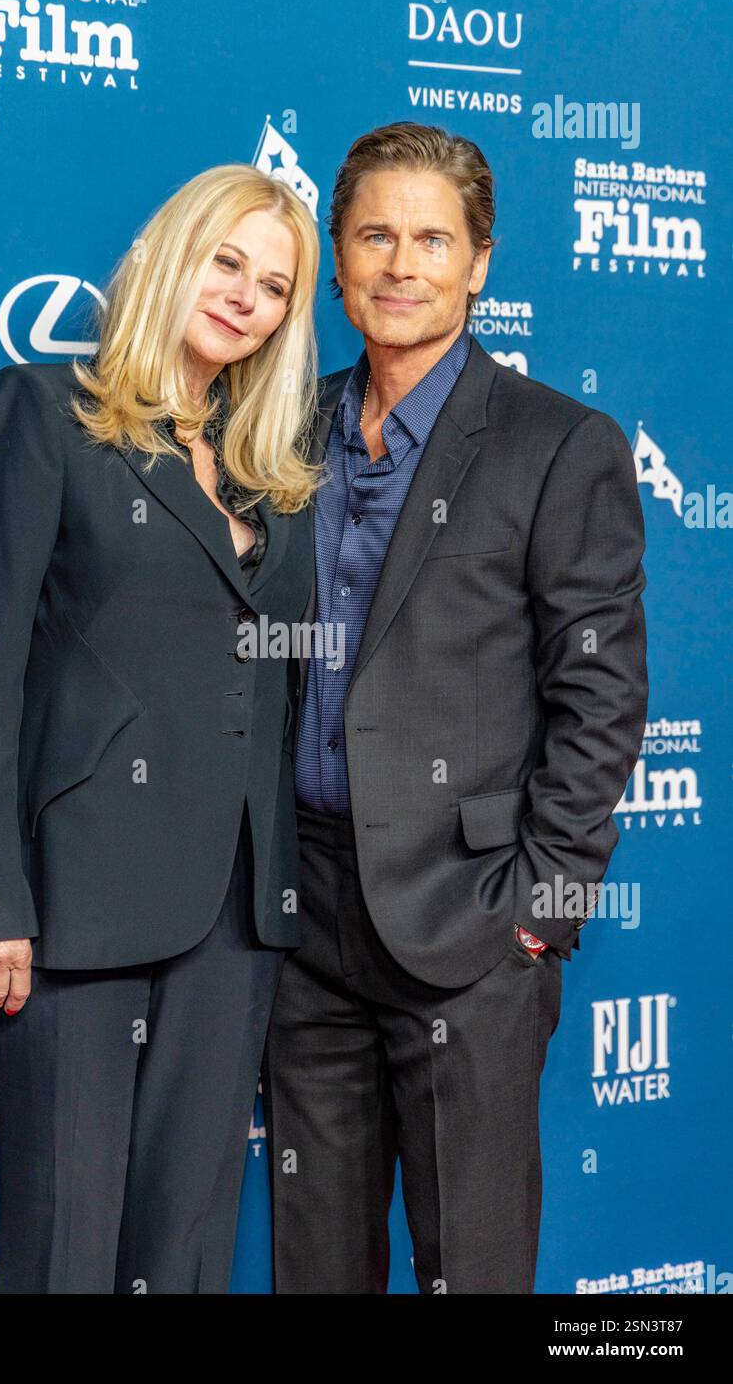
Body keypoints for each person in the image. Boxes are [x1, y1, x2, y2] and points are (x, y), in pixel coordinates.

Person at [262, 122, 649, 1294]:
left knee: (468, 1271)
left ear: (480, 262)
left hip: (470, 928)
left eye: (433, 238)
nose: (401, 262)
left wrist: (542, 912)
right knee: (315, 1268)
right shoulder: (283, 430)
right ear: (335, 260)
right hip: (303, 923)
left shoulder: (555, 444)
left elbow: (604, 694)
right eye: (375, 234)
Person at [0, 163, 321, 1294]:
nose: (247, 294)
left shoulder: (269, 473)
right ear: (170, 257)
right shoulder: (48, 413)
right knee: (63, 1244)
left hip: (239, 911)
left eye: (277, 284)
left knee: (188, 1247)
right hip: (72, 903)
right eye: (228, 260)